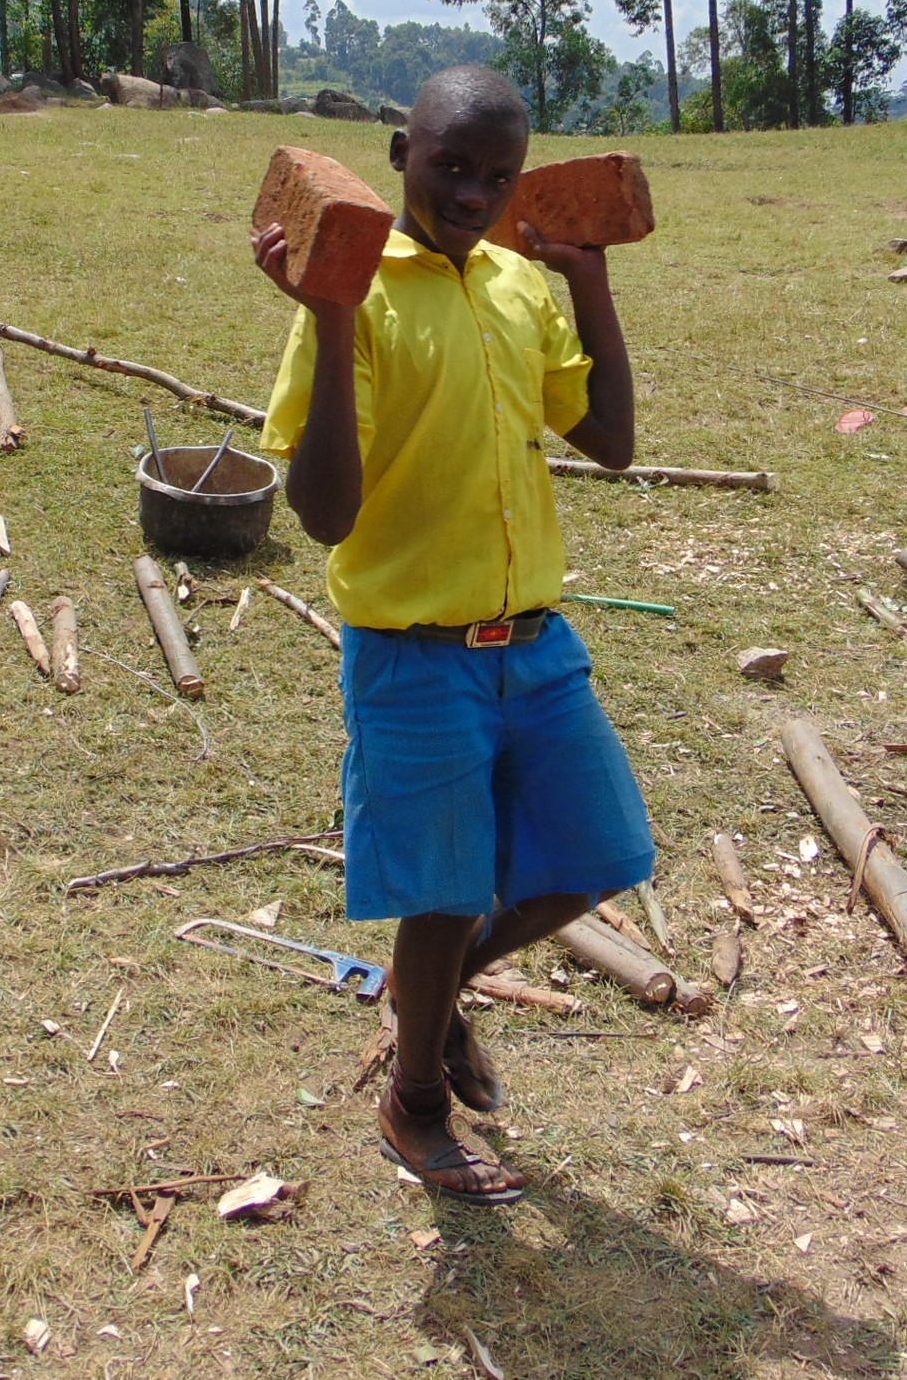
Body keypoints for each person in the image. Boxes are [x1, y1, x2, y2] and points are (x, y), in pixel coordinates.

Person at [253, 64, 652, 1205]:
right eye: (449, 167)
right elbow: (324, 512)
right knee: (439, 887)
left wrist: (590, 285)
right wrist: (327, 322)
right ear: (398, 155)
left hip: (532, 643)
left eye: (497, 175)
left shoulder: (519, 290)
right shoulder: (356, 292)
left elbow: (612, 440)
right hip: (414, 652)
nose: (473, 193)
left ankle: (424, 993)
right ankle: (413, 1100)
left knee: (597, 855)